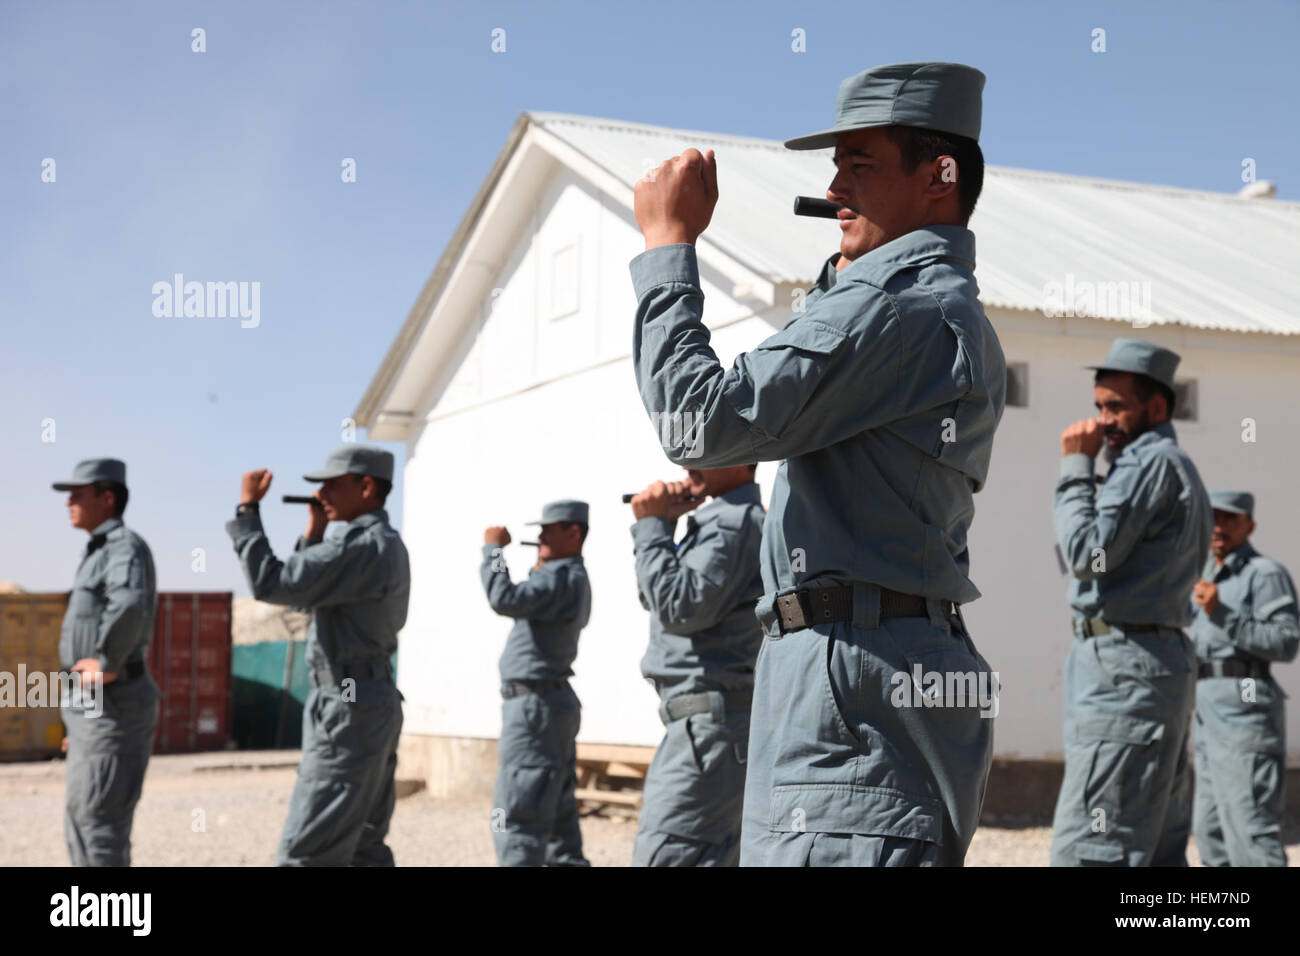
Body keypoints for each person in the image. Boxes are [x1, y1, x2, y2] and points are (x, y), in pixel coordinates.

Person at [629, 62, 1005, 866]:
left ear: (939, 177)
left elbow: (703, 423)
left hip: (853, 672)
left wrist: (668, 248)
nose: (836, 186)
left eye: (859, 165)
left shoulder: (900, 306)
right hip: (856, 660)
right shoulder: (909, 301)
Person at [1049, 338, 1212, 866]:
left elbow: (1086, 553)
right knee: (1156, 849)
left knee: (1096, 848)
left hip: (1124, 673)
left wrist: (1076, 469)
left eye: (1116, 407)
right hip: (1148, 668)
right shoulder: (1171, 465)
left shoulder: (1147, 463)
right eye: (1099, 407)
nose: (1102, 422)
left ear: (1157, 408)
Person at [227, 444, 408, 866]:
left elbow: (271, 582)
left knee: (307, 850)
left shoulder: (358, 547)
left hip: (347, 703)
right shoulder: (379, 545)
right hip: (365, 698)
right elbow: (307, 599)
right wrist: (314, 532)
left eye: (331, 485)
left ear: (365, 487)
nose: (322, 493)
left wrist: (247, 511)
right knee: (361, 843)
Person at [628, 465, 765, 866]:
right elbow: (656, 595)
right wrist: (662, 528)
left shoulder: (731, 524)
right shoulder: (726, 521)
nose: (688, 466)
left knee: (666, 853)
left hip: (706, 733)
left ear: (740, 457)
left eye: (704, 452)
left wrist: (652, 529)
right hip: (709, 728)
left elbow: (679, 607)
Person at [54, 458, 159, 866]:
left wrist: (108, 662)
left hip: (114, 701)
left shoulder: (123, 547)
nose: (68, 502)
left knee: (99, 823)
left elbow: (130, 604)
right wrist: (76, 725)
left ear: (108, 497)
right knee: (83, 817)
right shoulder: (98, 551)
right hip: (94, 707)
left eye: (78, 494)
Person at [1190, 490, 1298, 866]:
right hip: (1205, 715)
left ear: (1249, 525)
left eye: (1229, 519)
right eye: (1214, 518)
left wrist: (1223, 613)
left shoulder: (1264, 574)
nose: (1219, 527)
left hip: (1245, 714)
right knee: (1210, 833)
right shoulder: (1201, 574)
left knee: (1250, 830)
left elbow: (1286, 643)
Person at [482, 500, 592, 866]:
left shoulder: (560, 577)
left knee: (517, 816)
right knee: (557, 822)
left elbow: (504, 597)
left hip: (534, 709)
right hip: (547, 706)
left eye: (548, 529)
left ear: (573, 533)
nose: (540, 536)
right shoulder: (563, 576)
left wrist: (494, 551)